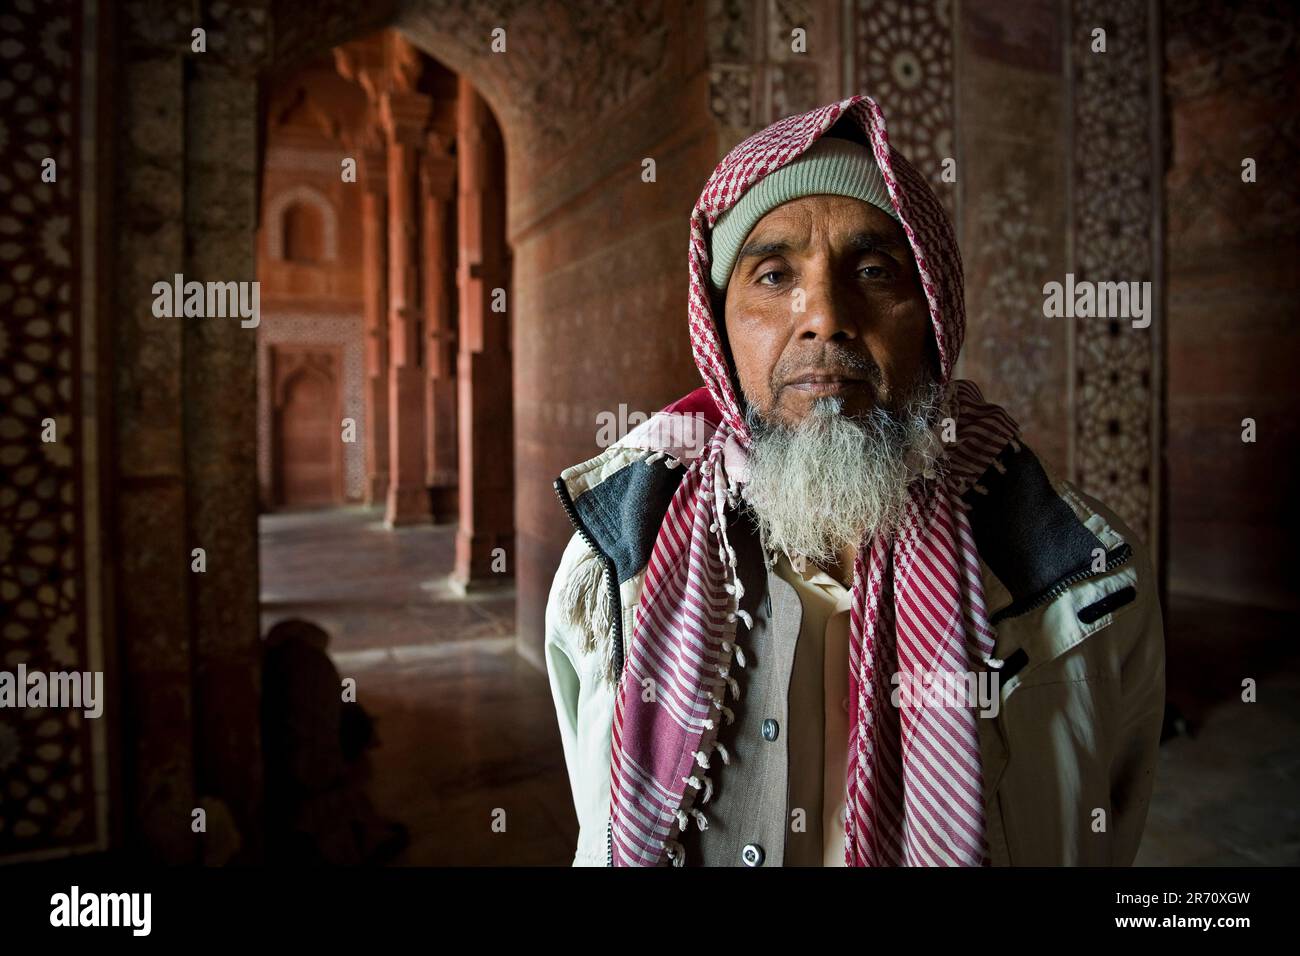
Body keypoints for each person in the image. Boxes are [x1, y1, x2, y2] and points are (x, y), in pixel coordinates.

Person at [544, 95, 1165, 867]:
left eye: (874, 272)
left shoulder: (1084, 580)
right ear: (720, 329)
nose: (825, 317)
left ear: (935, 316)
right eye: (773, 276)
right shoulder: (610, 572)